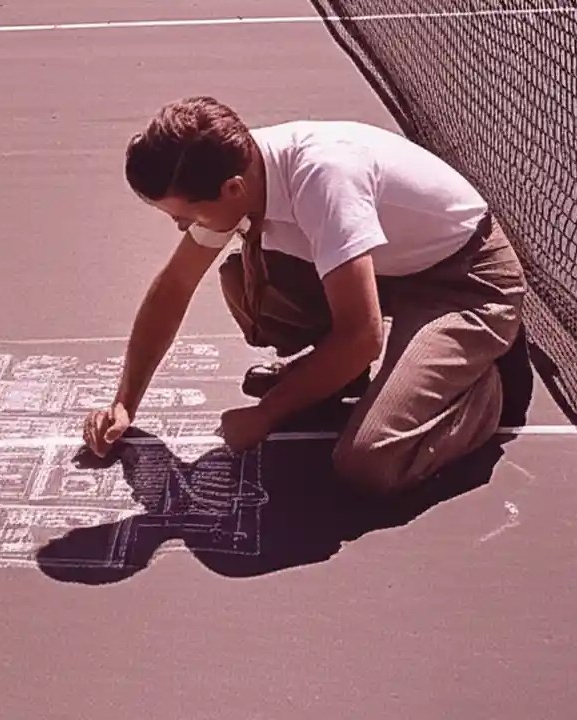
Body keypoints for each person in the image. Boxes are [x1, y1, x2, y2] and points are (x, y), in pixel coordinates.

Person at [83, 96, 529, 495]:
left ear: (233, 190)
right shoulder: (224, 166)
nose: (181, 226)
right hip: (391, 268)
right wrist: (125, 402)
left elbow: (362, 337)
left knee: (369, 459)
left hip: (465, 284)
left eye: (184, 215)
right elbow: (175, 288)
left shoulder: (323, 179)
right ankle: (344, 377)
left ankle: (487, 386)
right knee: (247, 281)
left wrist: (267, 415)